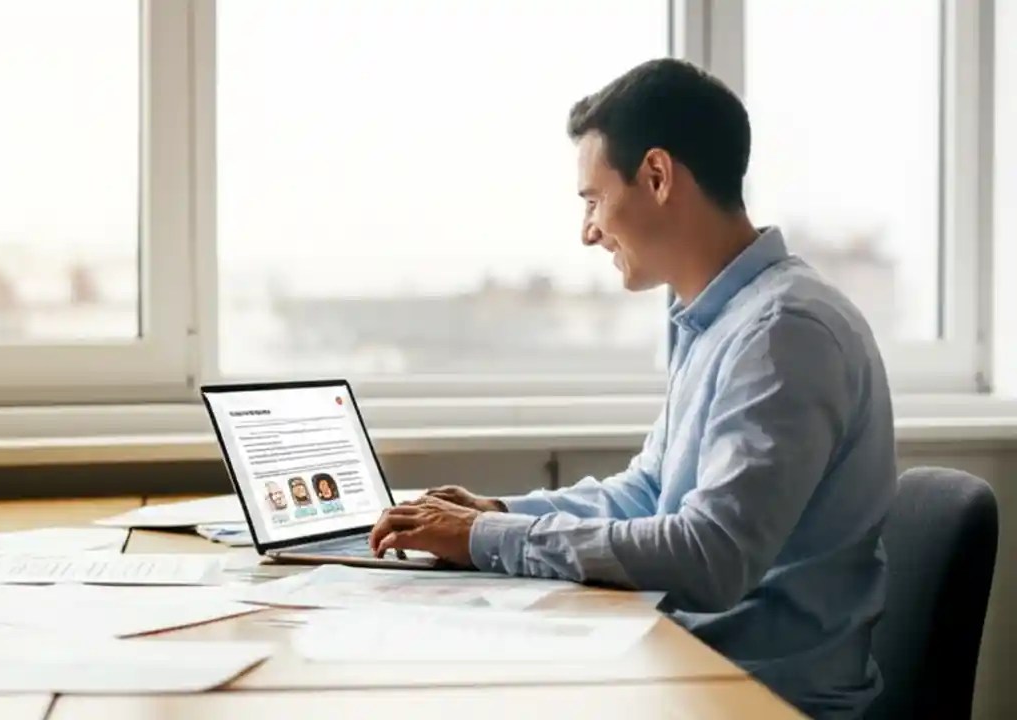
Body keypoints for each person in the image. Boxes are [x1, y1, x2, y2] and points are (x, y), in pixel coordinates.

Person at [368, 58, 895, 719]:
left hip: (761, 700)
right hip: (691, 667)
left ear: (656, 176)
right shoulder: (715, 319)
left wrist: (484, 538)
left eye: (593, 200)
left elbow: (710, 555)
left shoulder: (783, 331)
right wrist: (500, 512)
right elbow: (648, 492)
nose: (587, 231)